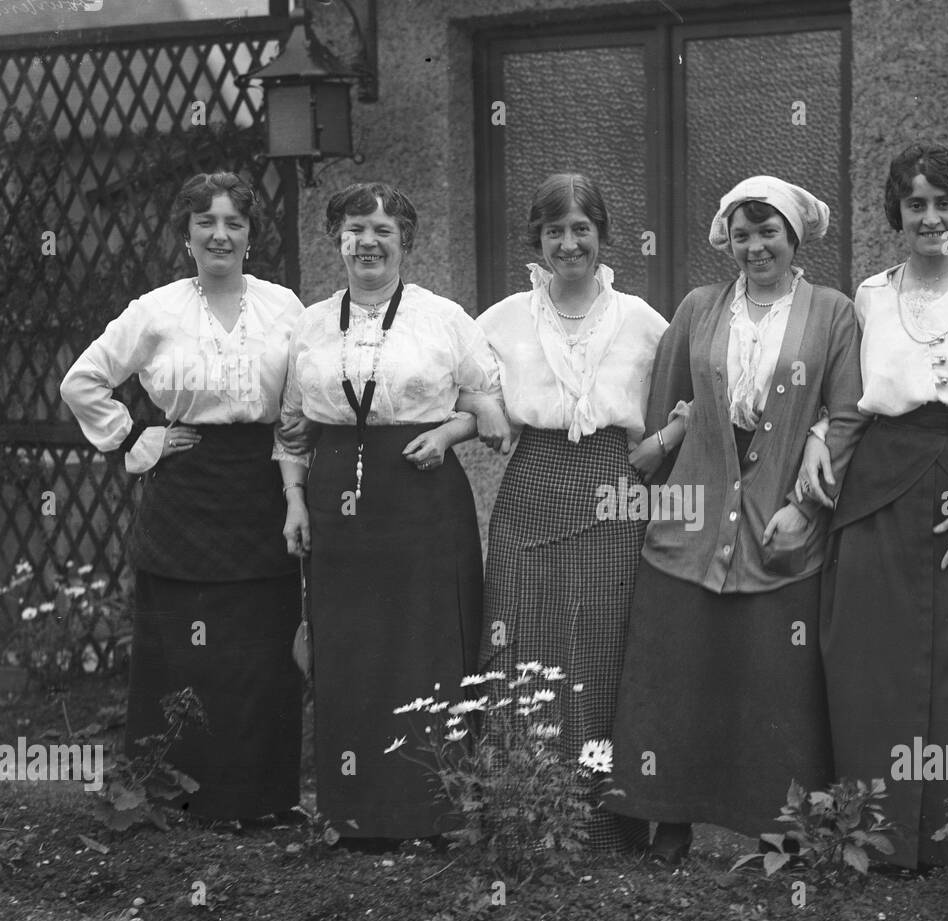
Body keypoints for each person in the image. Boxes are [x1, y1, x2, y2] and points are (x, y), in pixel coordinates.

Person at [605, 176, 862, 864]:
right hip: (690, 520)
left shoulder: (833, 314)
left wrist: (806, 508)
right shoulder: (699, 308)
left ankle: (778, 828)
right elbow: (668, 407)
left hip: (778, 521)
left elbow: (848, 414)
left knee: (771, 678)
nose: (755, 247)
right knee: (675, 672)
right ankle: (668, 820)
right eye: (743, 234)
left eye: (768, 232)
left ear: (793, 238)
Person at [798, 144, 948, 869]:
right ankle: (872, 835)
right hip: (882, 475)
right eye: (916, 204)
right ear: (897, 213)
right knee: (868, 648)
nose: (930, 217)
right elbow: (851, 392)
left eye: (943, 203)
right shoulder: (869, 295)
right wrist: (818, 440)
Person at [61, 171, 304, 821]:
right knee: (184, 646)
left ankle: (259, 799)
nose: (220, 234)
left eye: (234, 223)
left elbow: (307, 397)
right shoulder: (156, 310)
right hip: (186, 489)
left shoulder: (284, 307)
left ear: (251, 236)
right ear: (186, 236)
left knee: (259, 643)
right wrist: (139, 440)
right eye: (206, 222)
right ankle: (173, 796)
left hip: (262, 487)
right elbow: (82, 382)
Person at [275, 182, 506, 850]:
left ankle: (429, 815)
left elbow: (493, 409)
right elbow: (291, 430)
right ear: (336, 239)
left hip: (423, 500)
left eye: (383, 230)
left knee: (422, 646)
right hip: (336, 511)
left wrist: (446, 433)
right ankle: (350, 815)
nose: (368, 242)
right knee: (348, 650)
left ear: (406, 240)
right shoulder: (312, 325)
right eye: (354, 229)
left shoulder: (444, 319)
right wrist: (294, 500)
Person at [474, 174, 668, 852]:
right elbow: (458, 385)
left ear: (601, 235)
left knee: (600, 650)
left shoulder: (643, 321)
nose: (568, 243)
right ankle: (523, 818)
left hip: (613, 493)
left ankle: (604, 825)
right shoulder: (501, 321)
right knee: (526, 646)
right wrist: (480, 412)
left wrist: (661, 452)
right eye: (555, 230)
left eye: (581, 228)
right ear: (539, 239)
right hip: (531, 491)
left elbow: (685, 401)